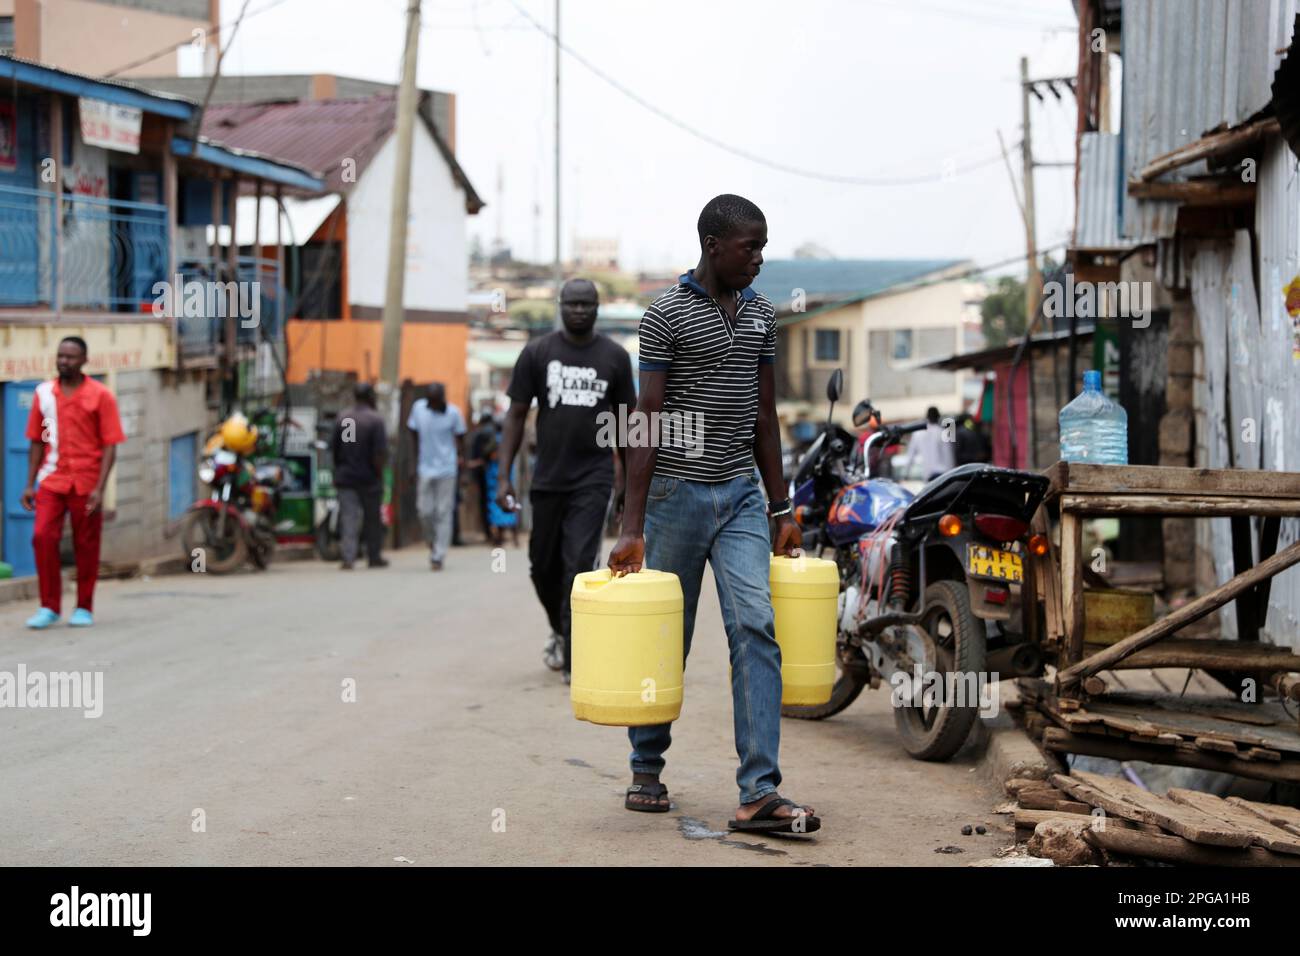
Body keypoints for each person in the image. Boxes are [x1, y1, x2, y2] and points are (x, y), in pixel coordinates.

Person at [608, 194, 820, 835]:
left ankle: (759, 792)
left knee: (755, 625)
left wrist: (782, 506)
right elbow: (647, 419)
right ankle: (646, 767)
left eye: (763, 246)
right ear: (712, 246)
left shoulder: (760, 316)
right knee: (665, 637)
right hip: (674, 497)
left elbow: (763, 416)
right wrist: (632, 524)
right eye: (748, 247)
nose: (759, 258)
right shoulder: (665, 315)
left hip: (740, 497)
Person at [497, 277, 636, 681]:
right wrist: (503, 478)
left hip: (592, 478)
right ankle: (560, 628)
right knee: (541, 565)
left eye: (586, 305)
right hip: (548, 478)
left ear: (597, 308)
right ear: (560, 306)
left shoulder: (614, 357)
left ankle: (576, 658)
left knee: (578, 563)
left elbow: (626, 423)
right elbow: (516, 415)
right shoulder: (537, 353)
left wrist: (627, 479)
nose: (578, 311)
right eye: (572, 304)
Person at [20, 336, 126, 629]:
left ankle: (84, 606)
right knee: (43, 537)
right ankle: (49, 606)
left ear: (84, 361)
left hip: (86, 481)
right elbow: (36, 441)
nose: (64, 361)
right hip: (52, 480)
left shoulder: (101, 395)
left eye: (70, 357)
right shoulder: (44, 394)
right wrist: (29, 484)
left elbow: (110, 445)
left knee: (86, 544)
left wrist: (100, 488)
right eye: (60, 356)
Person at [407, 382, 466, 571]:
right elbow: (413, 436)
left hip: (447, 470)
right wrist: (412, 464)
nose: (432, 405)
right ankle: (432, 541)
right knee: (424, 511)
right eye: (429, 401)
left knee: (443, 512)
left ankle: (439, 554)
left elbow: (461, 440)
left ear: (442, 398)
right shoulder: (418, 409)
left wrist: (462, 467)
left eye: (435, 401)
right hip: (425, 468)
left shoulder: (454, 413)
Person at [331, 382, 389, 571]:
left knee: (349, 517)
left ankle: (349, 557)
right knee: (372, 518)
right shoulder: (375, 420)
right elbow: (379, 453)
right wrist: (379, 475)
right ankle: (374, 556)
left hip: (347, 477)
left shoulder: (346, 418)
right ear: (370, 397)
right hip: (369, 478)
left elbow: (341, 449)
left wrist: (342, 468)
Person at [466, 409, 498, 541]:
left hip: (484, 472)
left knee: (486, 502)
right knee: (490, 501)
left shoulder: (479, 434)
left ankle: (489, 532)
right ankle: (491, 532)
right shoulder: (490, 433)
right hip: (489, 472)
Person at [903, 406, 956, 481]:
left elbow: (911, 454)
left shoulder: (918, 433)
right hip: (943, 474)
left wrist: (906, 473)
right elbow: (948, 456)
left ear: (927, 417)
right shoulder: (942, 432)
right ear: (938, 417)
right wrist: (952, 475)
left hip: (927, 474)